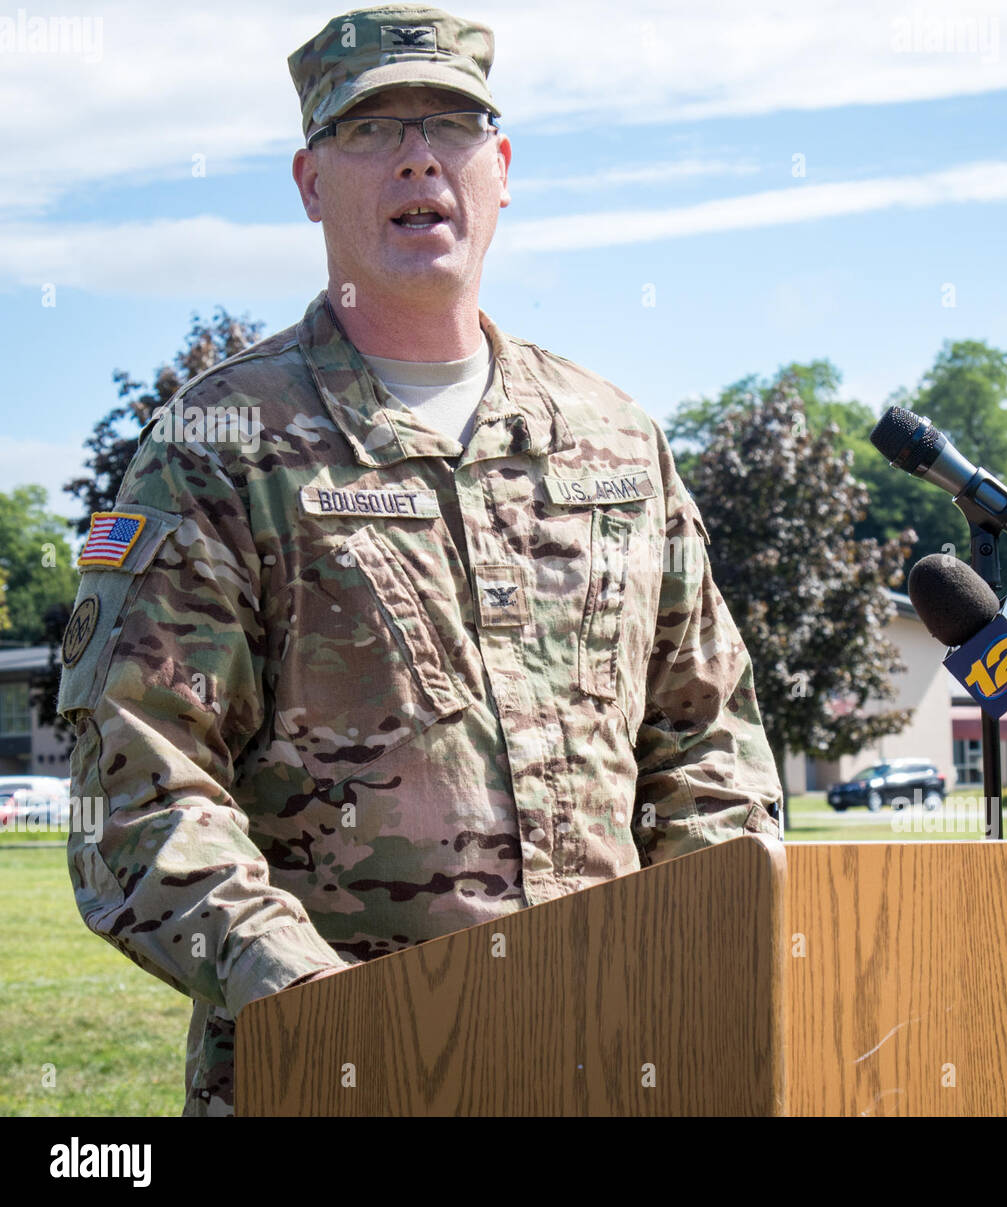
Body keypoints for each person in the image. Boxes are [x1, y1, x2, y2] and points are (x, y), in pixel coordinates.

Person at [57, 4, 782, 1117]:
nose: (415, 156)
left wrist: (690, 973)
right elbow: (138, 782)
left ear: (500, 170)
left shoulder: (615, 441)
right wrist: (328, 1012)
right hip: (336, 1082)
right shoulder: (219, 446)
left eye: (449, 124)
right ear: (309, 182)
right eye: (370, 129)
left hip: (616, 1071)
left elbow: (707, 737)